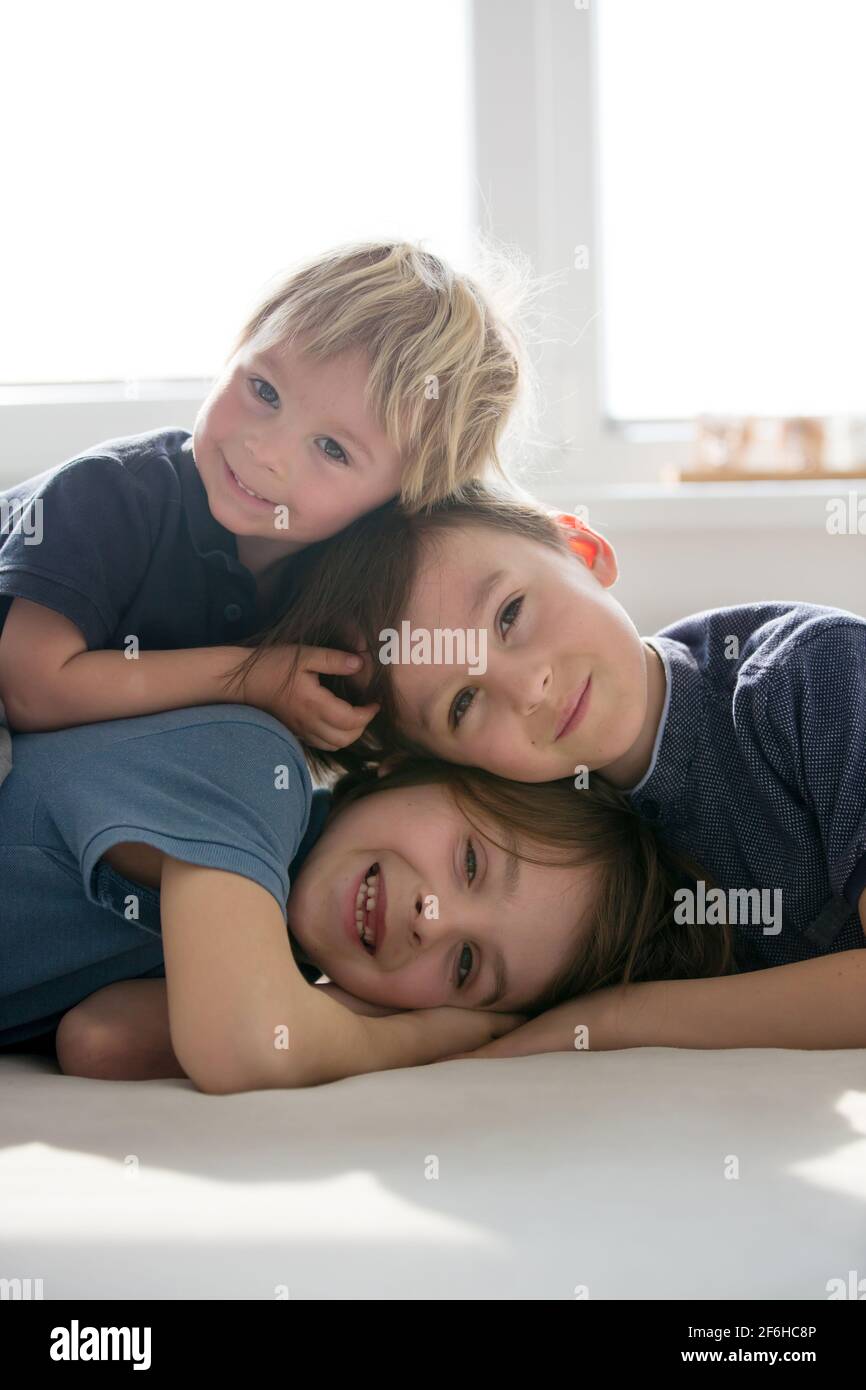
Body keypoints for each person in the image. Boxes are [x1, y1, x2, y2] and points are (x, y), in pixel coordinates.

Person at [224, 483, 866, 1056]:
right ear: (441, 767)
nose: (529, 687)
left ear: (580, 546)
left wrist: (620, 1019)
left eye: (510, 614)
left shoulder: (809, 675)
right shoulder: (521, 870)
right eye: (464, 703)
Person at [0, 239, 532, 782]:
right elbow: (31, 690)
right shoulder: (111, 493)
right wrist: (249, 678)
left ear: (395, 503)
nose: (266, 452)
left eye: (332, 450)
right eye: (264, 390)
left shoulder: (336, 588)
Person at [0, 700, 721, 1087]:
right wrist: (422, 1035)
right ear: (403, 767)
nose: (432, 922)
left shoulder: (267, 952)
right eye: (470, 862)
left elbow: (101, 1041)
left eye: (466, 966)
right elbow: (245, 1049)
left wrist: (348, 1010)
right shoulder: (256, 769)